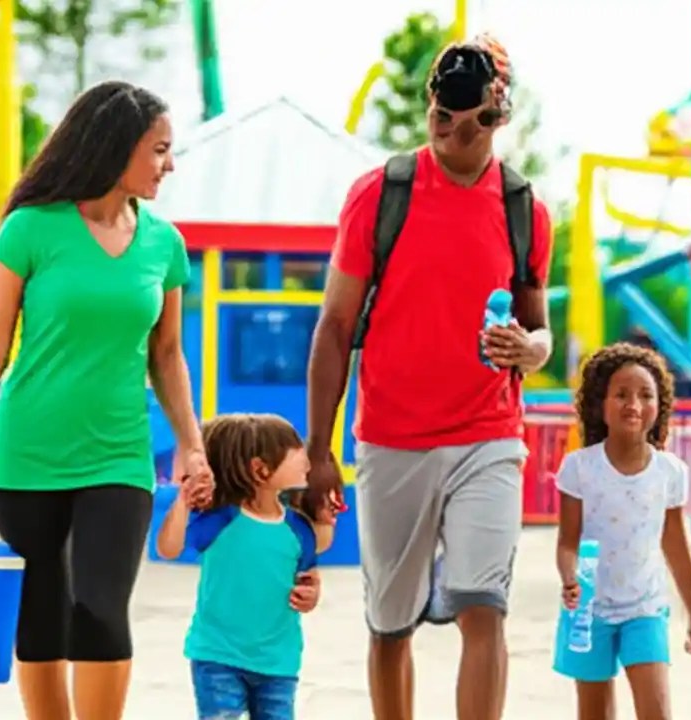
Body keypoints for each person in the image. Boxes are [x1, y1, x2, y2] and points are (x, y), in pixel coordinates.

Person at [0, 80, 213, 720]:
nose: (170, 164)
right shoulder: (30, 228)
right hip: (28, 451)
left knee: (100, 609)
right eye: (159, 149)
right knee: (40, 610)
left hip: (118, 454)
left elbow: (167, 355)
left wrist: (193, 445)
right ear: (117, 147)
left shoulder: (164, 244)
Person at [305, 35, 553, 720]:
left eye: (460, 115)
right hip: (392, 437)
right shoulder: (381, 195)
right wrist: (320, 451)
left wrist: (531, 351)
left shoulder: (523, 209)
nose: (443, 126)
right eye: (436, 111)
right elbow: (333, 328)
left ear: (496, 114)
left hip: (488, 435)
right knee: (391, 624)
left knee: (484, 607)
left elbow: (538, 327)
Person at [553, 343, 691, 720]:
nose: (633, 404)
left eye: (645, 395)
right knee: (594, 712)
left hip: (645, 609)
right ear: (600, 404)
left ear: (660, 405)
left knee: (656, 710)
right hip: (589, 613)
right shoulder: (579, 468)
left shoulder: (670, 472)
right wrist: (570, 576)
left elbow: (676, 547)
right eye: (621, 394)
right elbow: (567, 543)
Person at [157, 413, 336, 720]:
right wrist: (183, 504)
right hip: (218, 655)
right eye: (296, 452)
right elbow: (169, 549)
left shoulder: (297, 528)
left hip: (278, 661)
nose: (305, 459)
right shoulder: (221, 520)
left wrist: (311, 593)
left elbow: (308, 573)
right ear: (260, 469)